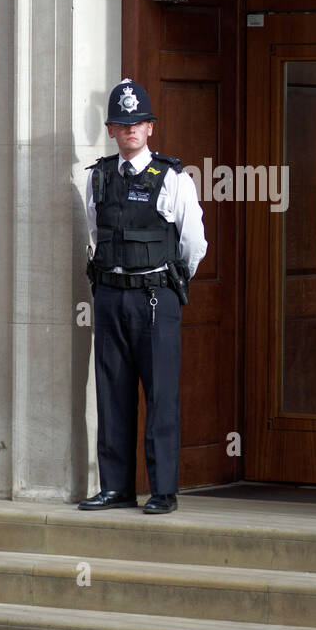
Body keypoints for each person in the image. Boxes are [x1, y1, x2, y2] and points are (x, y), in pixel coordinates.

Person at [79, 78, 206, 515]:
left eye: (137, 123)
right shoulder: (98, 177)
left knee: (160, 396)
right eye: (121, 123)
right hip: (111, 297)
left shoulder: (173, 178)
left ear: (150, 127)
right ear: (111, 129)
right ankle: (116, 487)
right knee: (111, 393)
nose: (130, 130)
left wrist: (167, 282)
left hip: (155, 297)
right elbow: (95, 235)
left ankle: (163, 490)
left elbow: (193, 244)